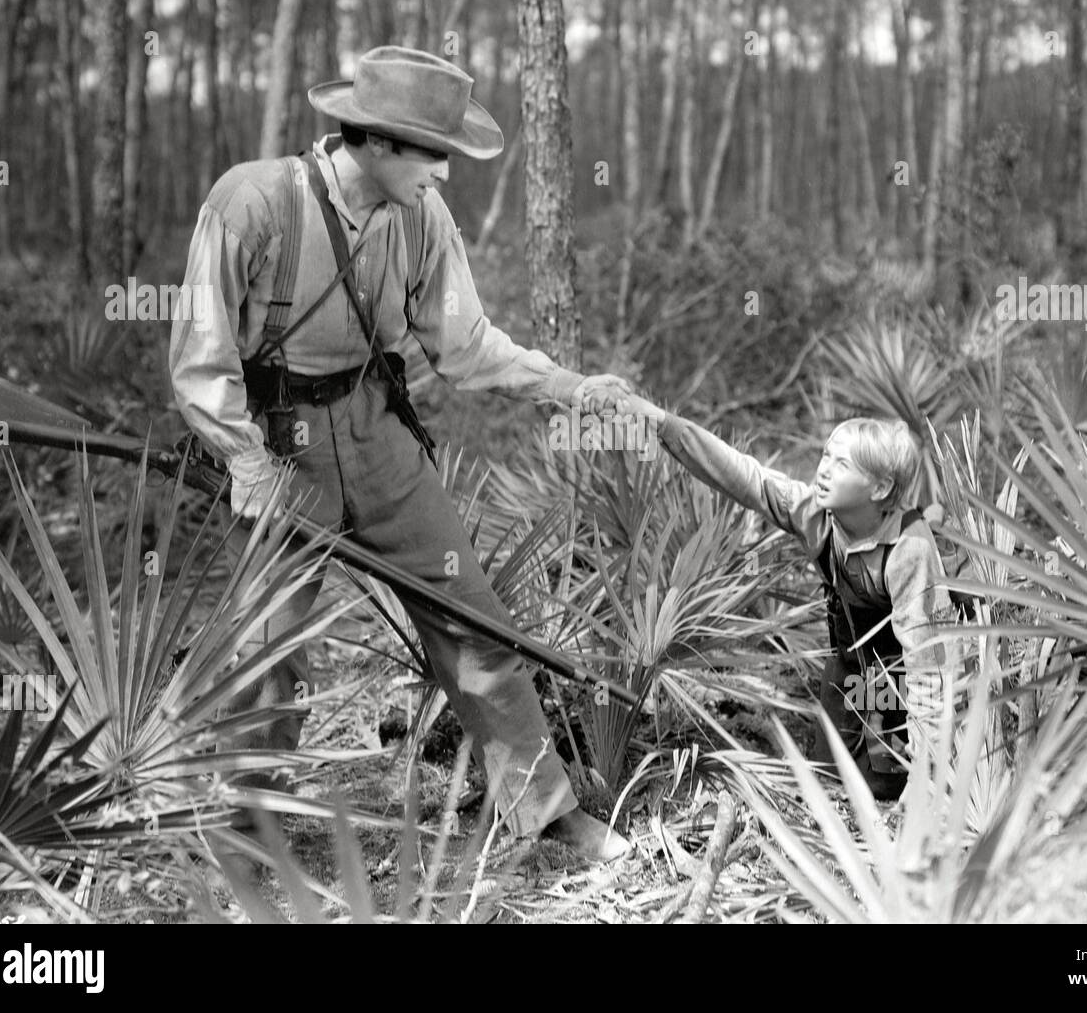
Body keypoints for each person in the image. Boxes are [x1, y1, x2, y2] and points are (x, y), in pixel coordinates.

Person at [168, 46, 631, 860]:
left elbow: (466, 345)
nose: (445, 174)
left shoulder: (421, 216)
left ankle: (545, 809)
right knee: (266, 643)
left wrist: (567, 385)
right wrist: (243, 458)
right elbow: (199, 356)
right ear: (378, 142)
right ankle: (245, 822)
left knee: (472, 611)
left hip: (377, 428)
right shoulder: (253, 203)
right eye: (434, 153)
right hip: (278, 441)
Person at [619, 397, 955, 799]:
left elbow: (929, 666)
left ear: (881, 488)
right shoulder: (817, 516)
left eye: (842, 464)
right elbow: (749, 478)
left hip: (907, 677)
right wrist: (665, 425)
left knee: (879, 784)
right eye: (826, 456)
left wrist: (926, 775)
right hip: (853, 666)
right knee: (829, 773)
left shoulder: (908, 546)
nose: (824, 470)